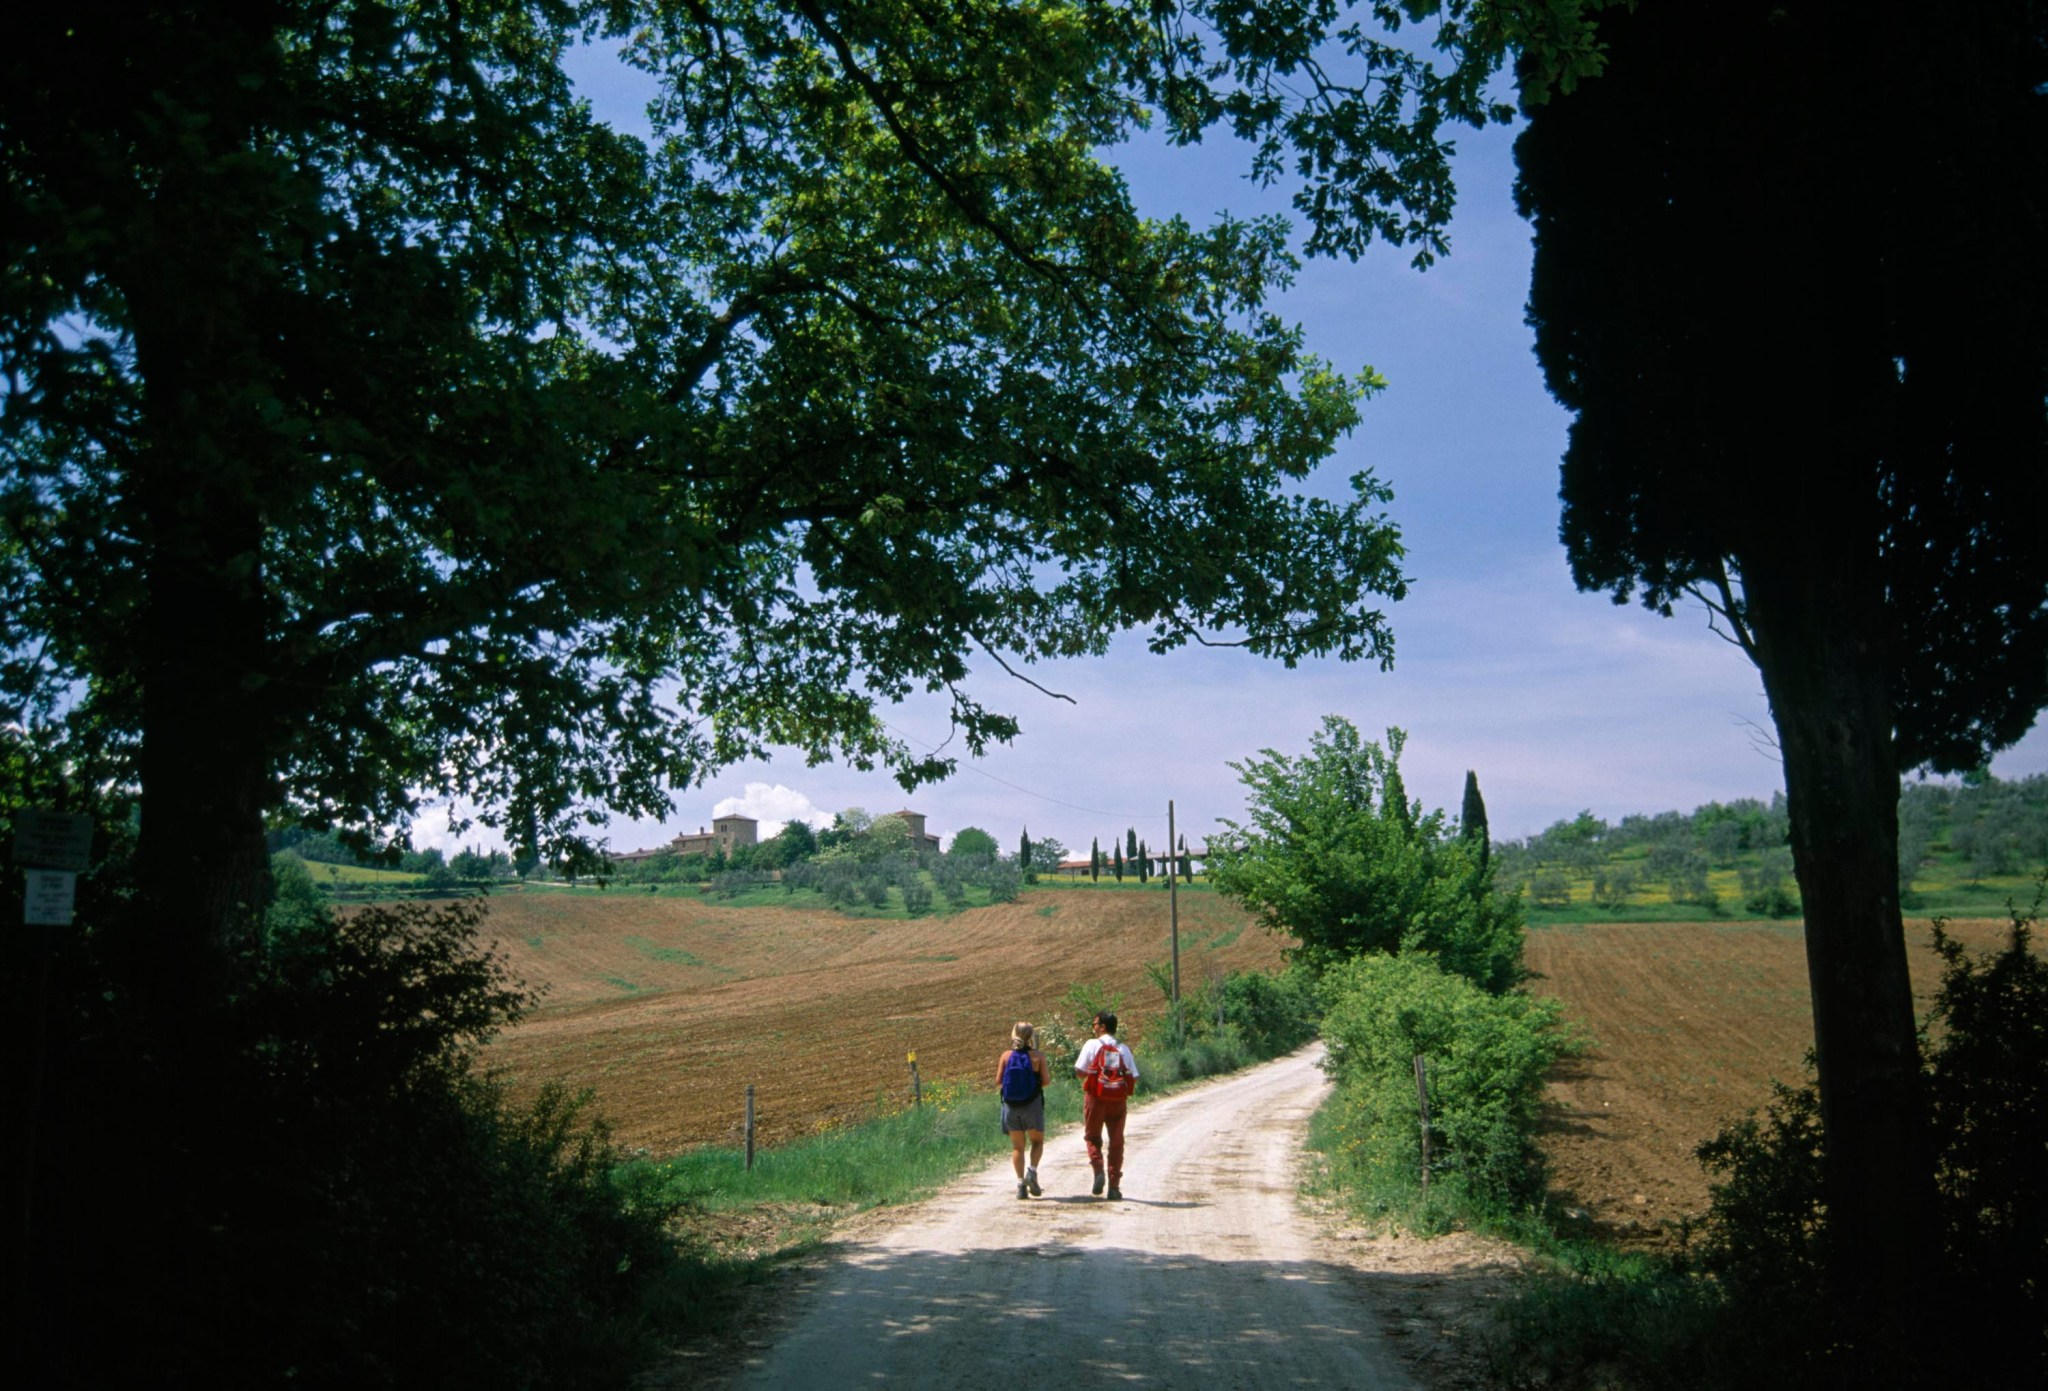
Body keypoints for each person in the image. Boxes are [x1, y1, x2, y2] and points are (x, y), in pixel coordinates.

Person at [1074, 1010, 1139, 1200]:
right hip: (1118, 1100)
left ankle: (1098, 1170)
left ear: (1102, 1027)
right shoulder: (1124, 1048)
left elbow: (1079, 1071)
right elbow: (1133, 1076)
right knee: (1116, 1141)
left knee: (1092, 1137)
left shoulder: (1091, 1045)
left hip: (1095, 1098)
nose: (1093, 1028)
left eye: (1094, 1025)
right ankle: (1114, 1187)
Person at [996, 1021, 1051, 1198]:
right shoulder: (1038, 1056)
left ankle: (1020, 1186)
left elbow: (999, 1081)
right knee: (1037, 1142)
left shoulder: (1005, 1056)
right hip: (1032, 1105)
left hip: (1011, 1107)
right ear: (1031, 1036)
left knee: (1018, 1147)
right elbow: (1046, 1081)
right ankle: (1032, 1172)